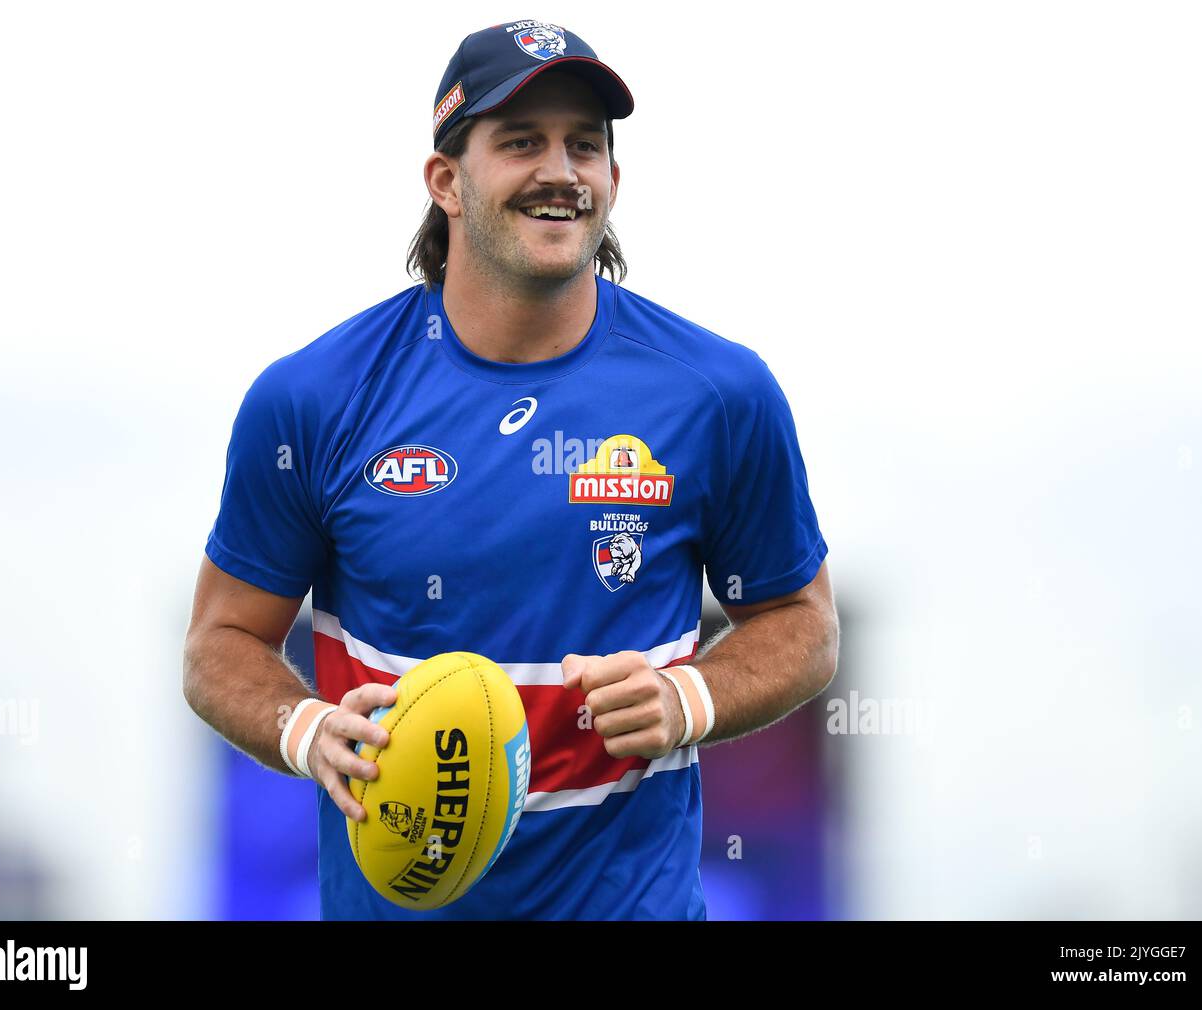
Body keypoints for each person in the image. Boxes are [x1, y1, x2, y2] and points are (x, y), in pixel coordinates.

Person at [182, 18, 839, 921]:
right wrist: (305, 729)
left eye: (585, 145)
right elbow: (220, 644)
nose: (561, 171)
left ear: (613, 179)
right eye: (522, 141)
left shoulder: (717, 393)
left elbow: (803, 622)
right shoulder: (314, 399)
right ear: (446, 181)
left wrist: (690, 697)